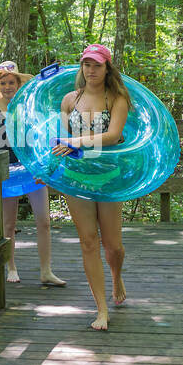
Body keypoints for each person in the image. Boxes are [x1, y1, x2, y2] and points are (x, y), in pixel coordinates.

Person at [0, 61, 67, 287]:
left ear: (19, 84)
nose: (8, 86)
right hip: (6, 171)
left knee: (44, 222)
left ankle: (46, 271)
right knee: (8, 223)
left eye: (11, 82)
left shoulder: (29, 106)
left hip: (31, 169)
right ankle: (11, 267)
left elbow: (47, 128)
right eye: (3, 83)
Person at [50, 43, 131, 331]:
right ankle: (101, 309)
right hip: (76, 178)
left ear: (107, 67)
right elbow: (60, 140)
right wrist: (47, 170)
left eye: (97, 64)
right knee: (88, 242)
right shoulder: (70, 100)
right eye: (86, 64)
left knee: (114, 246)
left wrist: (76, 142)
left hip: (108, 176)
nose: (91, 70)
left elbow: (113, 135)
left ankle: (116, 274)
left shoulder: (116, 98)